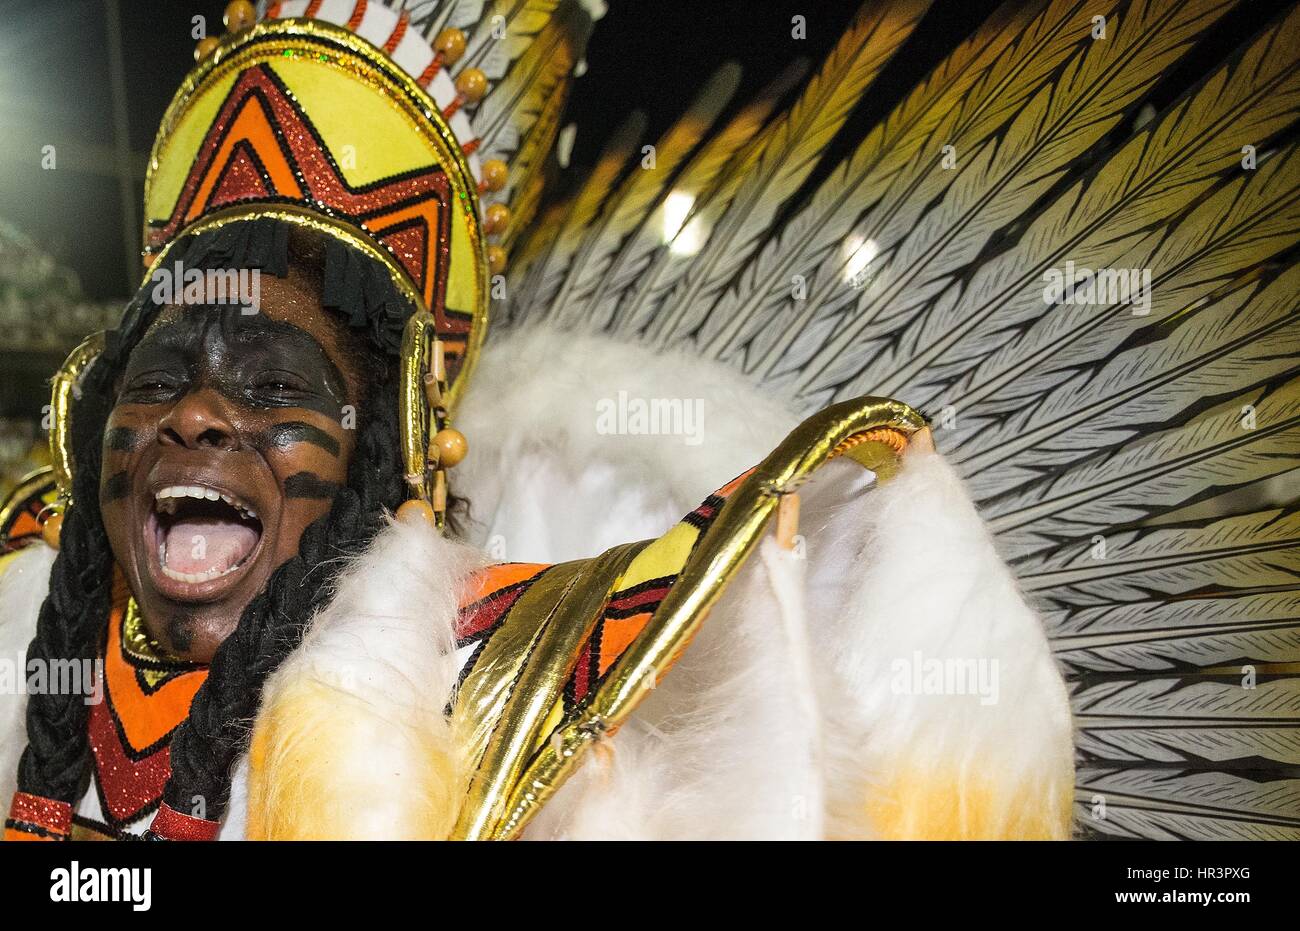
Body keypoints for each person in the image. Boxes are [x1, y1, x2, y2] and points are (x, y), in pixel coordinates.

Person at [1, 0, 1295, 841]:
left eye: (281, 387)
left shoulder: (555, 683)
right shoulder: (29, 646)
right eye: (167, 371)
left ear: (396, 461)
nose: (203, 418)